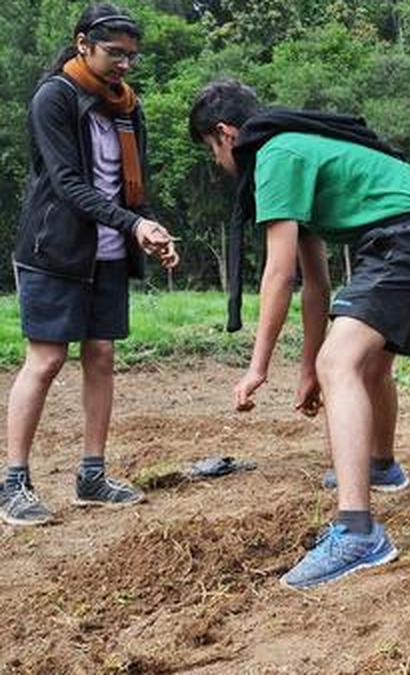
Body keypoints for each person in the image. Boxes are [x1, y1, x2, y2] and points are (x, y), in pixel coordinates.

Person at [188, 79, 410, 589]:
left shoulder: (276, 156)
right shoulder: (297, 151)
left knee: (341, 363)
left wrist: (258, 367)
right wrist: (307, 368)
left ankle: (358, 533)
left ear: (224, 135)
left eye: (210, 151)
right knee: (364, 363)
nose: (217, 163)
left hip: (400, 238)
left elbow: (279, 275)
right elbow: (317, 284)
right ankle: (380, 465)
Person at [3, 4, 178, 527]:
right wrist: (131, 224)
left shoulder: (127, 107)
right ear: (83, 45)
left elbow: (134, 188)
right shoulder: (54, 97)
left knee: (100, 354)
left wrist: (153, 231)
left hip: (108, 252)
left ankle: (92, 475)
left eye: (131, 56)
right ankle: (13, 481)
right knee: (47, 359)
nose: (125, 64)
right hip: (53, 249)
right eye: (114, 53)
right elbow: (68, 183)